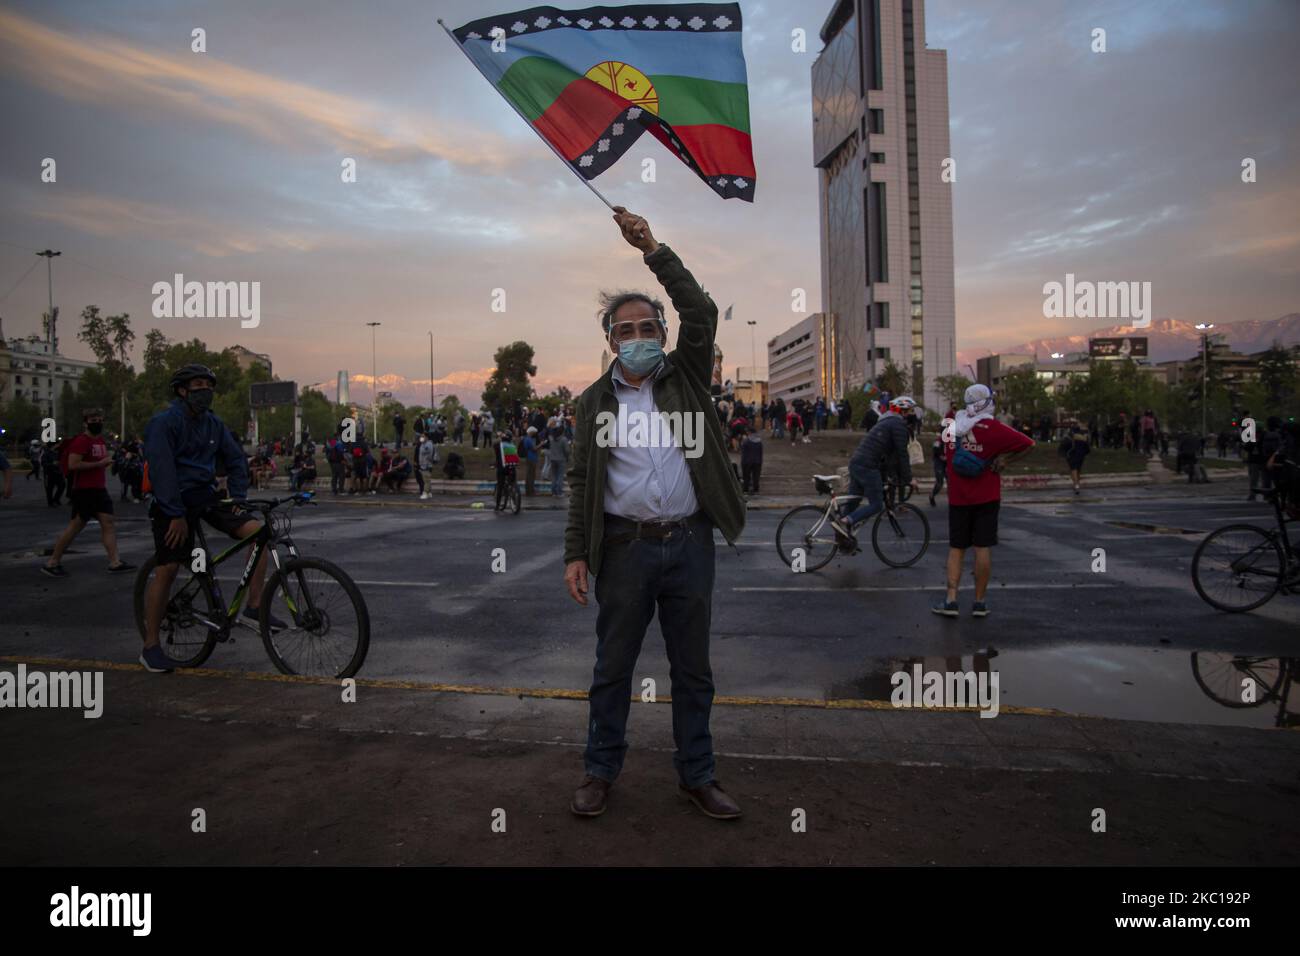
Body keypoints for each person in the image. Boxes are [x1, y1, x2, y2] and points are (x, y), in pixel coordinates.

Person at [564, 206, 745, 822]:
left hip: (690, 545)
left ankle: (697, 776)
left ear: (663, 333)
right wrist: (576, 552)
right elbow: (583, 479)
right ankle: (599, 772)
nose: (638, 338)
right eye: (625, 330)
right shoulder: (594, 401)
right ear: (609, 341)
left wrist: (652, 249)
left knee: (693, 670)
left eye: (648, 327)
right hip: (623, 549)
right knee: (612, 668)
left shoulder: (686, 377)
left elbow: (703, 312)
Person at [139, 364, 285, 673]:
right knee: (167, 568)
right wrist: (175, 514)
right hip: (172, 501)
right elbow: (162, 471)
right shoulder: (163, 423)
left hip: (205, 495)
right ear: (182, 390)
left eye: (208, 385)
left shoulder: (213, 424)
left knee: (258, 533)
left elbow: (235, 460)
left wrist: (238, 500)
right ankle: (151, 646)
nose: (205, 390)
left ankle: (253, 607)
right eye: (198, 384)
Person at [932, 384, 1034, 618]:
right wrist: (1006, 460)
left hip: (958, 496)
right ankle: (979, 602)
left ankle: (951, 600)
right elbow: (1029, 444)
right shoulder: (995, 428)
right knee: (982, 548)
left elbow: (943, 448)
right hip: (987, 495)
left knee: (956, 549)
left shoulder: (951, 423)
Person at [41, 408, 134, 578]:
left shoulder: (99, 440)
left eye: (99, 419)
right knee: (75, 526)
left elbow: (97, 462)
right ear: (85, 423)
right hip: (84, 490)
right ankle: (52, 562)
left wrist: (103, 463)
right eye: (93, 420)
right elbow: (73, 465)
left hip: (99, 489)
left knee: (108, 522)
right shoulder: (81, 441)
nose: (97, 422)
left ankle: (115, 562)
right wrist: (100, 464)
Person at [831, 397, 918, 546]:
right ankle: (846, 522)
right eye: (910, 411)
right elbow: (902, 454)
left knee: (854, 501)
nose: (911, 414)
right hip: (868, 466)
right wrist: (909, 478)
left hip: (857, 462)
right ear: (903, 412)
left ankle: (842, 538)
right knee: (877, 505)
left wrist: (888, 476)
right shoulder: (898, 426)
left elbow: (887, 454)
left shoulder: (884, 422)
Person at [1059, 424, 1090, 495]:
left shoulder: (1070, 437)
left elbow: (1063, 446)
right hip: (1081, 456)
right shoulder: (1084, 437)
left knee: (1073, 470)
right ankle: (1076, 484)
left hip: (1072, 455)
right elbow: (1087, 449)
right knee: (1078, 470)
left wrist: (1064, 455)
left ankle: (1076, 486)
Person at [546, 424, 570, 497]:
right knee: (560, 476)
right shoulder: (564, 439)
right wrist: (567, 457)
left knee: (554, 476)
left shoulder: (552, 439)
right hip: (561, 459)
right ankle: (559, 492)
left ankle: (553, 492)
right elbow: (567, 450)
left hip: (552, 459)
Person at [740, 425, 763, 494]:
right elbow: (760, 453)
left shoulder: (746, 441)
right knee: (756, 476)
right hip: (757, 461)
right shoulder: (759, 441)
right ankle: (756, 489)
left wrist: (743, 462)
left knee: (746, 476)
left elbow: (743, 453)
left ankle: (745, 490)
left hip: (747, 461)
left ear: (749, 432)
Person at [928, 425, 947, 507]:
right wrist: (941, 456)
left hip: (947, 463)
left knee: (951, 482)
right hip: (939, 463)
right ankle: (932, 495)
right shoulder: (938, 441)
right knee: (939, 482)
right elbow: (936, 451)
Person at [42, 441, 65, 507]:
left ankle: (56, 499)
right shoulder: (46, 453)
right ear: (53, 445)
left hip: (58, 473)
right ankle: (50, 502)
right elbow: (43, 463)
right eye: (56, 444)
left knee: (62, 486)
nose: (58, 445)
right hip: (49, 474)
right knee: (49, 489)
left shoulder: (57, 452)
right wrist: (52, 464)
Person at [521, 426, 539, 496]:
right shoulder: (529, 439)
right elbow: (534, 449)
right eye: (534, 433)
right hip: (531, 458)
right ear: (531, 432)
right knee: (531, 475)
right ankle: (530, 491)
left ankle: (528, 491)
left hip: (529, 458)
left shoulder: (526, 439)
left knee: (529, 475)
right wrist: (541, 444)